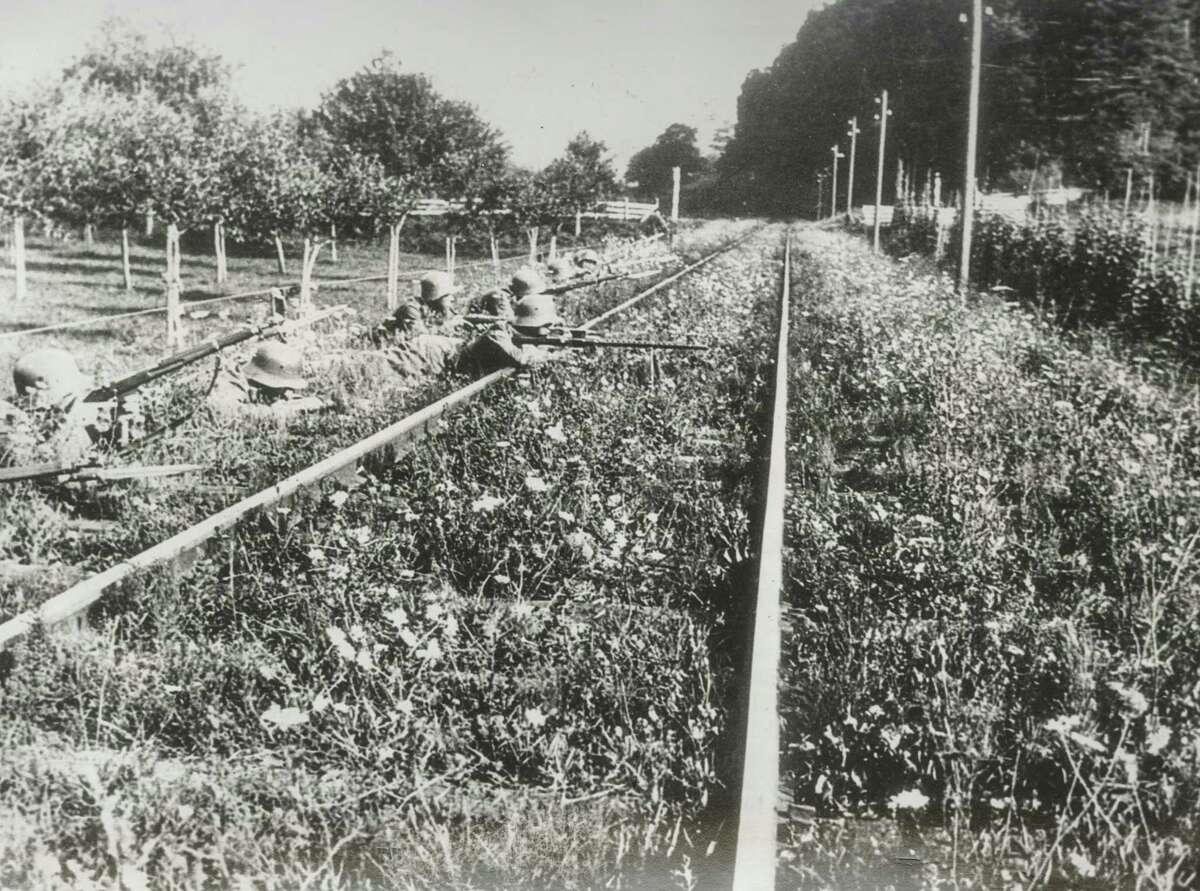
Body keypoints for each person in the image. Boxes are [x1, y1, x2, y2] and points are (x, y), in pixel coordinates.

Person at [208, 341, 324, 419]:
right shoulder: (229, 383)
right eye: (283, 387)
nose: (288, 392)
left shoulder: (261, 385)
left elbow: (287, 399)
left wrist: (304, 403)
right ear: (265, 381)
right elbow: (231, 412)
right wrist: (276, 412)